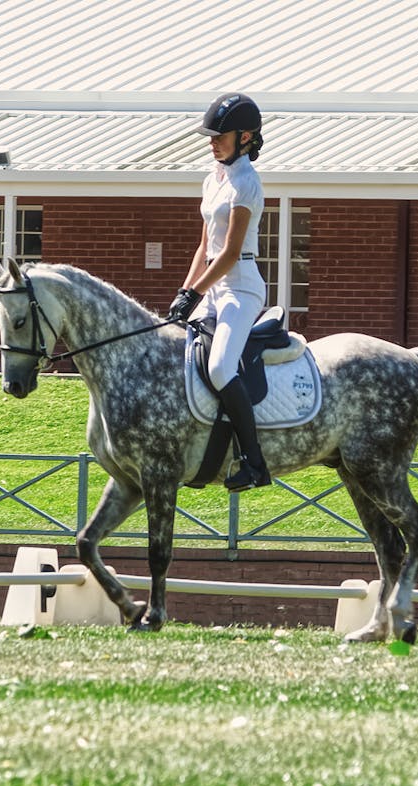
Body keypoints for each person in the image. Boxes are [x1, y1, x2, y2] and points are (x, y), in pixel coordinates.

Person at [166, 92, 271, 492]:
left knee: (221, 368)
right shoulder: (213, 178)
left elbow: (228, 254)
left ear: (245, 137)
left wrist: (196, 294)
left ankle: (254, 462)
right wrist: (185, 291)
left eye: (220, 135)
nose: (212, 142)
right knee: (176, 354)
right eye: (210, 136)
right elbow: (204, 247)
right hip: (211, 285)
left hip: (240, 289)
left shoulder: (247, 183)